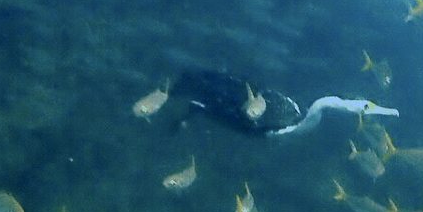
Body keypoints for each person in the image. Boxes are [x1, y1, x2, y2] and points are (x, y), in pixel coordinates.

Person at [169, 69, 397, 137]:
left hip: (252, 103)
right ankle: (191, 103)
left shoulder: (294, 109)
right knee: (216, 104)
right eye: (368, 107)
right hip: (245, 112)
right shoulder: (285, 126)